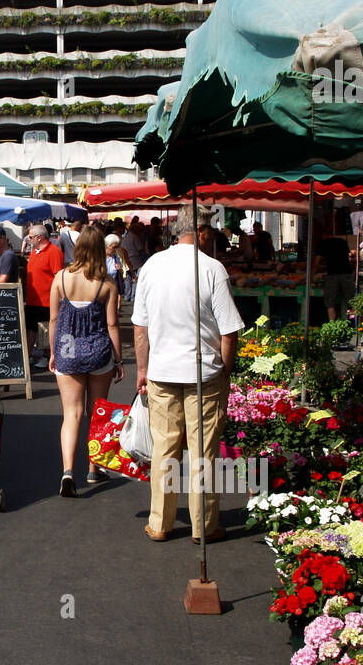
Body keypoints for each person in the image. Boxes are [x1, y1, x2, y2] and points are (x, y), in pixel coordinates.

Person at [132, 206, 244, 543]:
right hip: (203, 373)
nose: (211, 236)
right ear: (201, 231)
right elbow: (229, 332)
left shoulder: (152, 265)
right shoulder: (212, 268)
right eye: (209, 229)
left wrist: (142, 368)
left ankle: (160, 523)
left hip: (162, 370)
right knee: (203, 452)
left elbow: (140, 327)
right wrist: (224, 370)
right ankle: (204, 526)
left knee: (164, 450)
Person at [49, 227, 123, 497]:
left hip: (67, 352)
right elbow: (112, 324)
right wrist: (119, 359)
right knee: (97, 412)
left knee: (72, 414)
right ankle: (94, 467)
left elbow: (54, 319)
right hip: (98, 351)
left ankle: (68, 471)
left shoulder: (61, 278)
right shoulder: (107, 284)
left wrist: (53, 352)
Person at [23, 223, 64, 369]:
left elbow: (58, 277)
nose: (29, 240)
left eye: (31, 237)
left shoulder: (54, 252)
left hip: (47, 300)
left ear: (39, 238)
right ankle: (26, 357)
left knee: (46, 330)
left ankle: (47, 357)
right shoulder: (35, 252)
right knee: (31, 329)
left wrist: (58, 299)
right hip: (33, 299)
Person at [313, 228, 354, 321]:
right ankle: (354, 325)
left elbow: (316, 263)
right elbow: (349, 258)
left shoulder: (323, 244)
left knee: (330, 303)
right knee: (352, 302)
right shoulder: (342, 241)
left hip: (332, 275)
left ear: (323, 235)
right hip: (346, 274)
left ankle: (332, 326)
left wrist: (311, 276)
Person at [120, 218, 147, 303]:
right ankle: (133, 297)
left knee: (128, 279)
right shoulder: (135, 237)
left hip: (127, 260)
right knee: (135, 278)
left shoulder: (127, 236)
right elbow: (140, 249)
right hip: (135, 260)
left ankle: (127, 296)